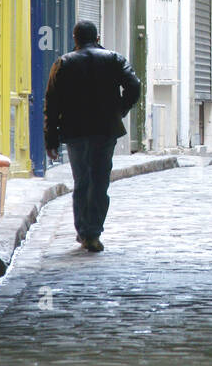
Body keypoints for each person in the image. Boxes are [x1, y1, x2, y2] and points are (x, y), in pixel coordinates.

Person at [44, 21, 141, 253]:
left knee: (82, 181)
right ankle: (93, 233)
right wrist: (119, 110)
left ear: (74, 38)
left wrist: (51, 139)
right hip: (105, 130)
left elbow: (52, 103)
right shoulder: (114, 59)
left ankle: (83, 231)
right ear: (98, 36)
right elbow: (134, 86)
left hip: (75, 131)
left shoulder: (63, 63)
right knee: (99, 181)